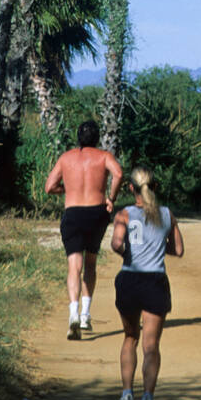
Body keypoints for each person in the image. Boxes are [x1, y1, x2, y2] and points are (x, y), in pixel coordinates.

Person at [111, 166, 184, 400]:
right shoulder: (166, 215)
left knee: (130, 337)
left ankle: (127, 394)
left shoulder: (124, 214)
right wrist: (158, 247)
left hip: (130, 279)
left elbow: (117, 244)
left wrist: (130, 253)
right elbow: (178, 250)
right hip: (155, 280)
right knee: (151, 346)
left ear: (130, 188)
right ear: (154, 187)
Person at [44, 121, 123, 339]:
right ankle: (86, 315)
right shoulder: (104, 156)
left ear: (78, 138)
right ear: (97, 138)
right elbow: (118, 174)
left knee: (73, 265)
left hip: (73, 213)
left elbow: (49, 187)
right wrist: (111, 198)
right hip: (96, 213)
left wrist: (68, 189)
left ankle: (73, 314)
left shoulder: (66, 158)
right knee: (90, 262)